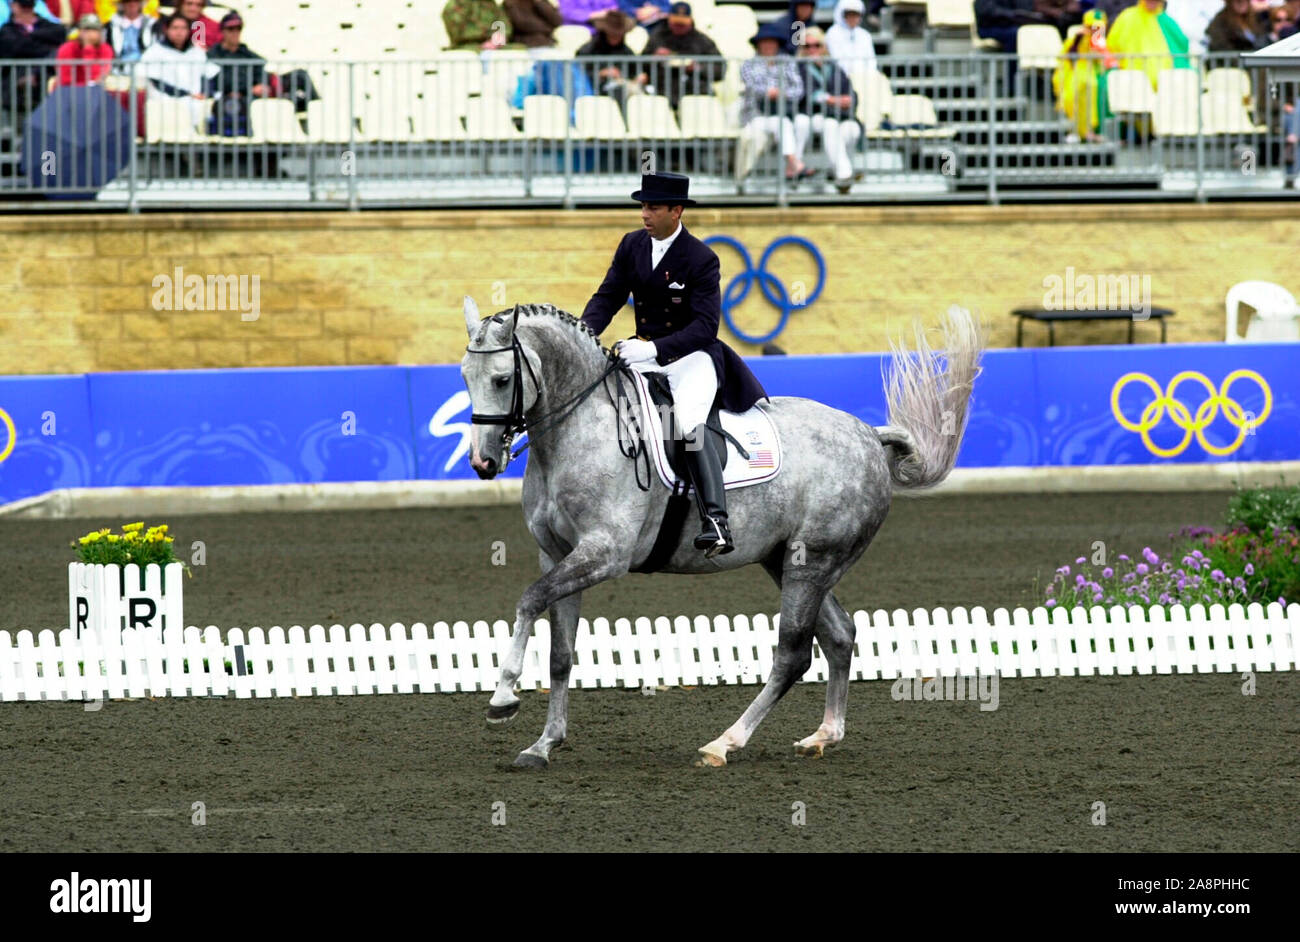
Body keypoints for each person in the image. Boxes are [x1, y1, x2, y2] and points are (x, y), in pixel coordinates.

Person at [580, 171, 769, 558]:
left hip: (693, 359)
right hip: (644, 355)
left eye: (653, 207)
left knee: (685, 422)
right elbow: (608, 297)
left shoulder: (701, 258)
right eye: (643, 207)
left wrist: (652, 350)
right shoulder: (632, 246)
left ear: (676, 211)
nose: (644, 214)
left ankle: (716, 520)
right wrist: (581, 335)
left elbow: (705, 327)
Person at [741, 21, 811, 180]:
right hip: (757, 114)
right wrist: (768, 92)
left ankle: (791, 168)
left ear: (777, 44)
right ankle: (795, 163)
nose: (768, 45)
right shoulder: (748, 64)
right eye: (764, 42)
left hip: (785, 110)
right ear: (758, 44)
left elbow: (798, 90)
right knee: (782, 123)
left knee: (803, 122)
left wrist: (781, 92)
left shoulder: (787, 61)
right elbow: (753, 88)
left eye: (771, 42)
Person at [793, 25, 860, 191]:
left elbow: (851, 95)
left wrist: (844, 100)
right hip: (812, 115)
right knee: (830, 125)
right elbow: (809, 95)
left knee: (852, 130)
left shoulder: (835, 68)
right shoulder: (798, 68)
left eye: (817, 45)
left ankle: (834, 171)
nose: (812, 49)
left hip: (841, 116)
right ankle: (844, 175)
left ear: (824, 47)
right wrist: (833, 99)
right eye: (807, 46)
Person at [139, 10, 216, 125]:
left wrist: (205, 93)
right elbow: (155, 82)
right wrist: (184, 94)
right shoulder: (155, 51)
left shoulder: (196, 52)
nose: (179, 32)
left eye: (183, 28)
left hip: (196, 100)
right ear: (167, 30)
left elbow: (208, 75)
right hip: (166, 101)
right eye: (175, 28)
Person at [643, 2, 724, 109]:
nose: (679, 27)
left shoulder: (702, 40)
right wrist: (654, 57)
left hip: (696, 92)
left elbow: (720, 70)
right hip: (662, 91)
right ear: (669, 20)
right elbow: (639, 65)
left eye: (682, 24)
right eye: (676, 23)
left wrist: (697, 67)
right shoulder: (658, 37)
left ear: (690, 21)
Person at [1052, 7, 1116, 141]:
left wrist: (1100, 52)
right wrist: (1078, 41)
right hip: (1075, 71)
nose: (1095, 31)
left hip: (1095, 72)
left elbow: (1109, 61)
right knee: (1078, 90)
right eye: (1091, 27)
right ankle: (1080, 131)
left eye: (1099, 28)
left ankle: (1094, 131)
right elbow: (1068, 57)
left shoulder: (1102, 43)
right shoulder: (1076, 39)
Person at [1107, 0, 1192, 90]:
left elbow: (1182, 43)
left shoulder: (1166, 20)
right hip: (1133, 82)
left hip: (1166, 85)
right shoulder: (1127, 17)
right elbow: (1113, 44)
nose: (1152, 2)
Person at [0, 0, 67, 112]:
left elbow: (59, 36)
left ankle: (35, 76)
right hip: (15, 81)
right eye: (23, 6)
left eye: (30, 6)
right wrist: (41, 43)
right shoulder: (6, 29)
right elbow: (14, 48)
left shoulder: (51, 27)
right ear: (13, 6)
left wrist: (29, 36)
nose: (26, 10)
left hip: (44, 79)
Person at [577, 9, 649, 102]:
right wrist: (601, 73)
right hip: (598, 89)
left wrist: (639, 76)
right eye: (613, 35)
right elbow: (578, 72)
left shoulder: (625, 50)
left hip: (623, 86)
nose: (616, 38)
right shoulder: (591, 49)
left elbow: (633, 70)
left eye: (619, 35)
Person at [55, 12, 111, 86]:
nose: (90, 33)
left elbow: (96, 76)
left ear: (100, 33)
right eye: (87, 29)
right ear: (79, 31)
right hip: (69, 91)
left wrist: (88, 48)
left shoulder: (105, 48)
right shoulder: (67, 48)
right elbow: (65, 78)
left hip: (94, 91)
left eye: (94, 30)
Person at [443, 0, 516, 50]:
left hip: (493, 46)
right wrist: (488, 37)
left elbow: (504, 25)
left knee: (518, 51)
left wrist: (499, 37)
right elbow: (457, 33)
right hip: (466, 46)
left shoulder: (490, 4)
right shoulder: (458, 4)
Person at [825, 0, 875, 72]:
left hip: (865, 78)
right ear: (842, 14)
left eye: (856, 14)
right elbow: (837, 59)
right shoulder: (833, 33)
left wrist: (867, 76)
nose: (853, 18)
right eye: (849, 14)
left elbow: (871, 60)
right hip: (842, 79)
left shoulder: (865, 34)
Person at [104, 0, 155, 65]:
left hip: (145, 67)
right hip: (119, 67)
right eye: (128, 1)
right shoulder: (111, 25)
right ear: (122, 4)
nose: (132, 4)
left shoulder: (151, 24)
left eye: (135, 1)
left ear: (140, 4)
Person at [1205, 0, 1271, 50]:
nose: (1242, 3)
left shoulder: (1256, 19)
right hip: (1232, 65)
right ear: (1229, 2)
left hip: (1255, 63)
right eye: (1238, 0)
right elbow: (1219, 45)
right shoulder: (1221, 20)